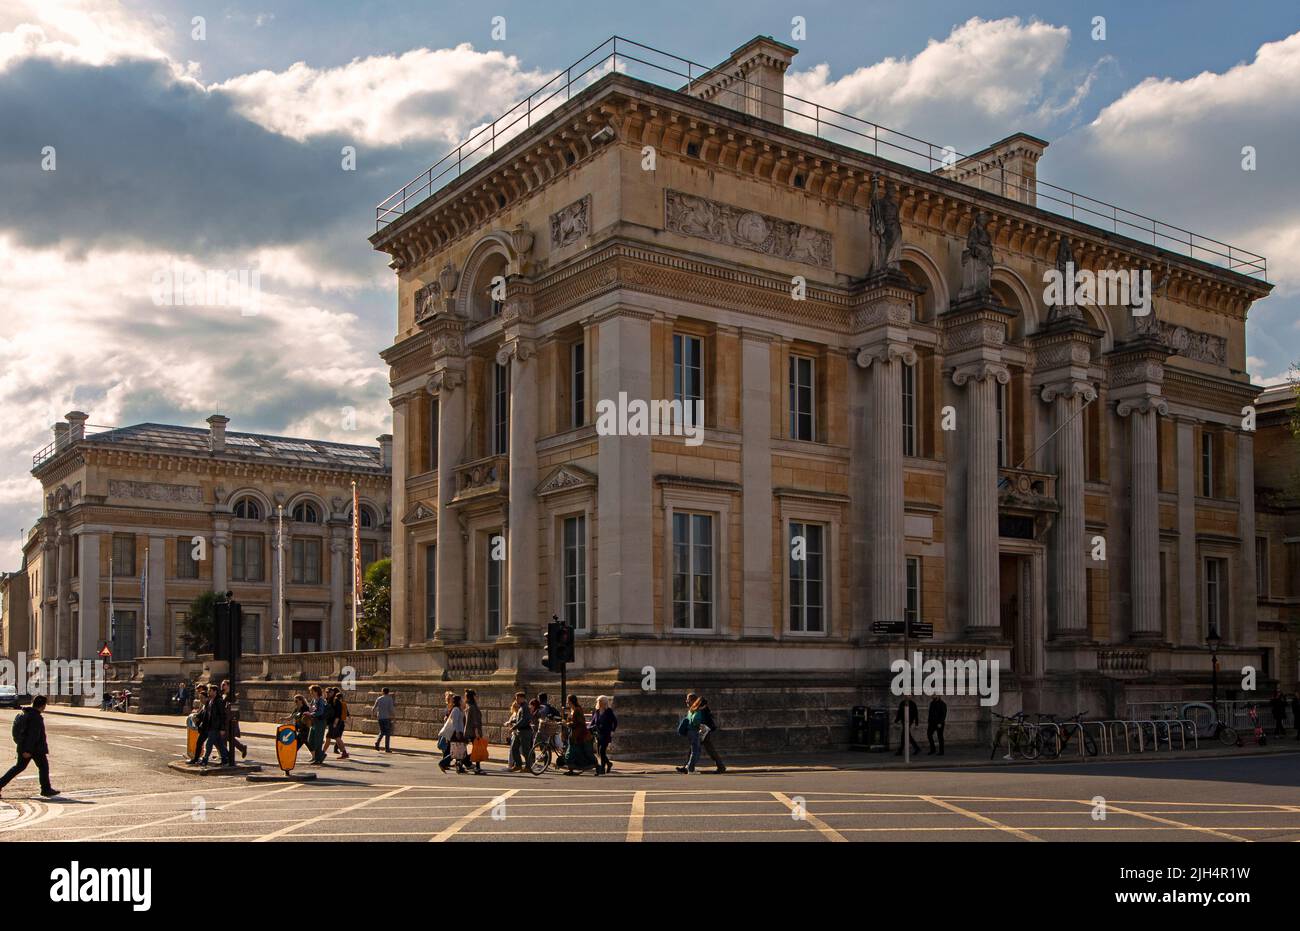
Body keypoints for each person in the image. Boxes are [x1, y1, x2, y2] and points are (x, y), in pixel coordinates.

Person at [0, 695, 58, 798]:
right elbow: (33, 735)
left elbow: (19, 733)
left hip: (26, 747)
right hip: (33, 749)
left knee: (20, 767)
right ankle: (46, 789)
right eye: (45, 705)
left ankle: (46, 788)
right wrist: (27, 750)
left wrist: (23, 747)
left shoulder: (25, 713)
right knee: (42, 767)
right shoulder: (35, 717)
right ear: (42, 705)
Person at [561, 694, 596, 775]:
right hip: (573, 734)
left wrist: (567, 724)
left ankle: (593, 765)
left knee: (571, 753)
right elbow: (571, 721)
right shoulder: (572, 709)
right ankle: (571, 770)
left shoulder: (577, 710)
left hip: (578, 735)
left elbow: (579, 723)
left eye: (568, 700)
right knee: (573, 752)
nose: (567, 701)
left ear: (571, 701)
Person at [199, 684, 231, 766]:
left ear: (215, 692)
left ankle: (205, 759)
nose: (209, 692)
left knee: (209, 743)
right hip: (211, 726)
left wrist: (222, 728)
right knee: (219, 744)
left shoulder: (219, 701)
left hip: (216, 727)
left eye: (210, 691)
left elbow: (222, 715)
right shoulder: (210, 701)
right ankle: (226, 757)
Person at [692, 694, 725, 774]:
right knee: (708, 750)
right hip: (704, 732)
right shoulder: (704, 710)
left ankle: (688, 767)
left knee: (695, 749)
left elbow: (704, 722)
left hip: (704, 732)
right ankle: (721, 766)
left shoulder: (703, 711)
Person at [438, 692, 467, 774]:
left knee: (460, 750)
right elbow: (455, 722)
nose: (462, 701)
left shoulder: (459, 709)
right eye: (461, 700)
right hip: (456, 733)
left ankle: (459, 767)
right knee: (457, 751)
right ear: (458, 701)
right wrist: (458, 732)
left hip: (459, 732)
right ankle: (442, 763)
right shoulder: (456, 710)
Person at [675, 693, 704, 774]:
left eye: (688, 699)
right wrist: (699, 726)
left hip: (689, 731)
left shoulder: (691, 710)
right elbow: (695, 720)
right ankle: (690, 769)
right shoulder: (696, 709)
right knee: (696, 751)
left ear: (693, 700)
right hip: (694, 731)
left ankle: (689, 767)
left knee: (694, 750)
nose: (686, 701)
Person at [220, 680, 248, 760]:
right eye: (222, 685)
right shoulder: (224, 695)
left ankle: (226, 756)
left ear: (229, 686)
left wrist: (234, 720)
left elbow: (235, 710)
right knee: (227, 737)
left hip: (230, 721)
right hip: (226, 720)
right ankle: (241, 748)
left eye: (224, 685)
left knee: (225, 737)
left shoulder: (232, 696)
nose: (222, 687)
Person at [590, 695, 617, 775]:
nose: (599, 702)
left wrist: (612, 730)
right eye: (599, 701)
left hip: (606, 734)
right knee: (599, 752)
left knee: (602, 751)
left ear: (605, 702)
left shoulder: (609, 711)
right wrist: (589, 728)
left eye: (601, 701)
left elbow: (615, 722)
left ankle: (602, 769)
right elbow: (593, 722)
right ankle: (608, 764)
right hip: (598, 734)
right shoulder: (596, 711)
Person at [507, 691, 533, 772]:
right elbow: (519, 718)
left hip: (525, 731)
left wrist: (513, 727)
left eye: (518, 698)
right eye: (516, 698)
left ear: (522, 698)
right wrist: (511, 721)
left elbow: (523, 720)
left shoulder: (525, 707)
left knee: (525, 750)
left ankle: (528, 767)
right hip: (519, 731)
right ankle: (518, 765)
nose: (516, 700)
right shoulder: (521, 707)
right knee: (514, 748)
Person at [306, 685, 329, 765]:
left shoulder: (321, 700)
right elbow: (311, 709)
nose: (310, 693)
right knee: (310, 740)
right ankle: (320, 755)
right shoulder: (313, 700)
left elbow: (320, 712)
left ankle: (318, 758)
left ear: (316, 691)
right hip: (314, 722)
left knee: (318, 741)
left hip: (320, 722)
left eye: (311, 691)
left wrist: (311, 714)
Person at [327, 689, 350, 760]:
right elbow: (347, 713)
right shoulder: (341, 703)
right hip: (339, 722)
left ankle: (322, 753)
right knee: (337, 738)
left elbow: (338, 714)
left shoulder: (337, 702)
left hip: (336, 723)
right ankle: (343, 752)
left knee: (335, 738)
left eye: (328, 693)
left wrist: (335, 723)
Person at [373, 688, 395, 753]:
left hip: (380, 717)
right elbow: (391, 709)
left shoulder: (379, 698)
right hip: (386, 717)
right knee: (387, 733)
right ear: (388, 692)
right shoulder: (389, 699)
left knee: (382, 731)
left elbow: (373, 708)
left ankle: (377, 742)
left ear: (382, 692)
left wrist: (373, 715)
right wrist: (394, 716)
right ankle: (387, 748)